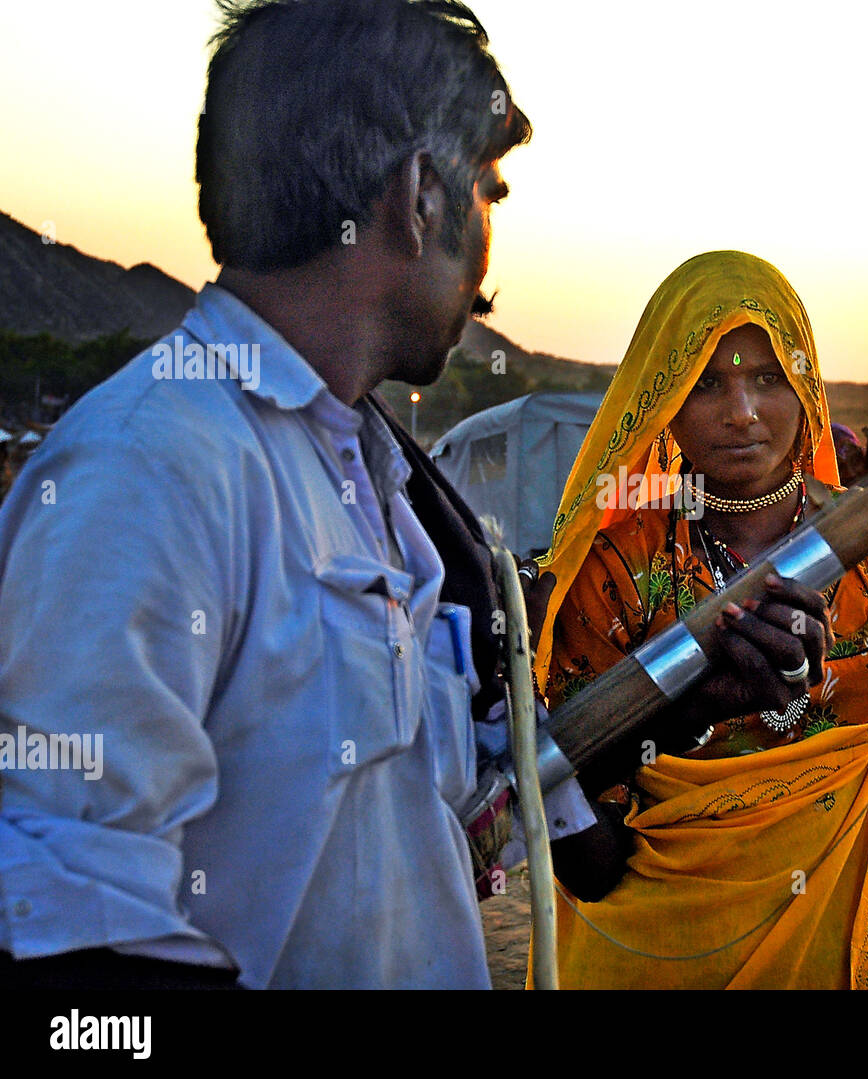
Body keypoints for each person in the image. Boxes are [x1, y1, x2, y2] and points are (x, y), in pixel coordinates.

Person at [0, 0, 594, 990]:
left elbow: (418, 822)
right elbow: (69, 919)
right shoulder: (148, 472)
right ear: (418, 197)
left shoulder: (379, 480)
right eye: (486, 192)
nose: (491, 259)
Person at [532, 251, 868, 990]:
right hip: (659, 959)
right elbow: (589, 863)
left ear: (805, 384)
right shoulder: (617, 573)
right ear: (666, 394)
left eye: (769, 378)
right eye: (708, 382)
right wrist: (676, 714)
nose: (743, 412)